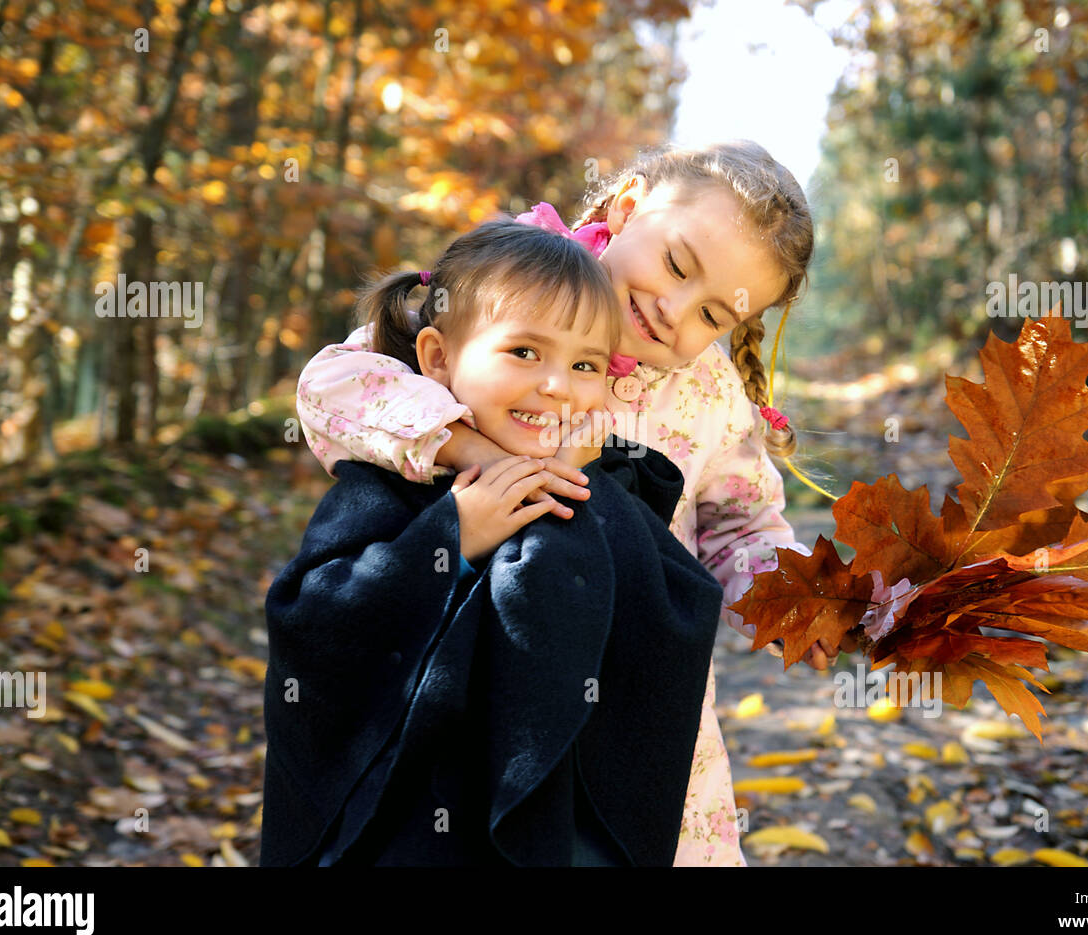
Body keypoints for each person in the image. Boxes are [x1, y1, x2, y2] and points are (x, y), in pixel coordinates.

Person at [293, 141, 834, 866]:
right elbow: (333, 386)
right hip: (491, 667)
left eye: (712, 313)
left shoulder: (709, 394)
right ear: (628, 207)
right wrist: (473, 451)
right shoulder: (511, 288)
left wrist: (790, 596)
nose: (673, 310)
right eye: (677, 266)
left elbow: (741, 525)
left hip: (637, 685)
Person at [261, 219, 723, 866]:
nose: (557, 385)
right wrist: (450, 539)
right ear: (437, 357)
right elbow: (315, 621)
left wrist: (570, 520)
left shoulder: (604, 491)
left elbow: (666, 619)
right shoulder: (386, 485)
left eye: (584, 365)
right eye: (524, 352)